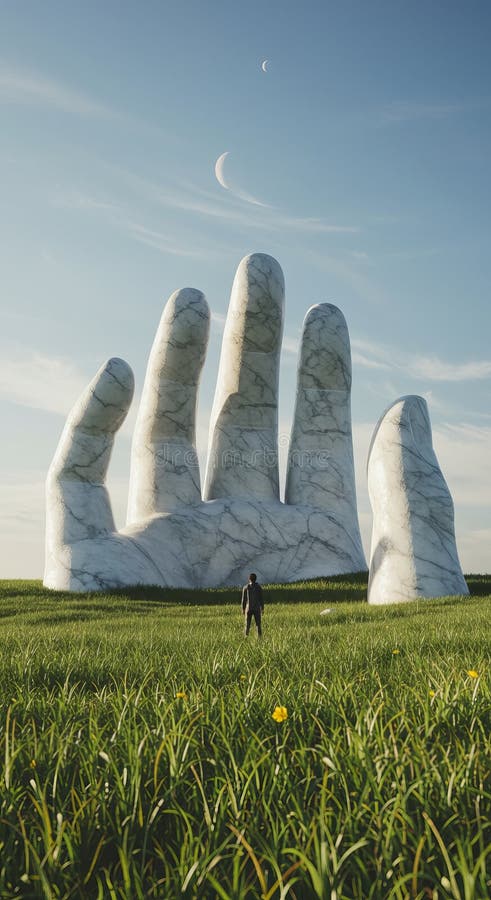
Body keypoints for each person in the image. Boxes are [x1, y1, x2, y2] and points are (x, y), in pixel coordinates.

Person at [241, 573, 264, 637]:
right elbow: (261, 599)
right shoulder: (259, 587)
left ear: (249, 579)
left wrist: (243, 609)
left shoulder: (245, 587)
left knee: (247, 624)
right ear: (255, 579)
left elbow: (243, 600)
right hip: (256, 608)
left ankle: (246, 637)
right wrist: (262, 608)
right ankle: (259, 637)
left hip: (248, 608)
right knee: (258, 624)